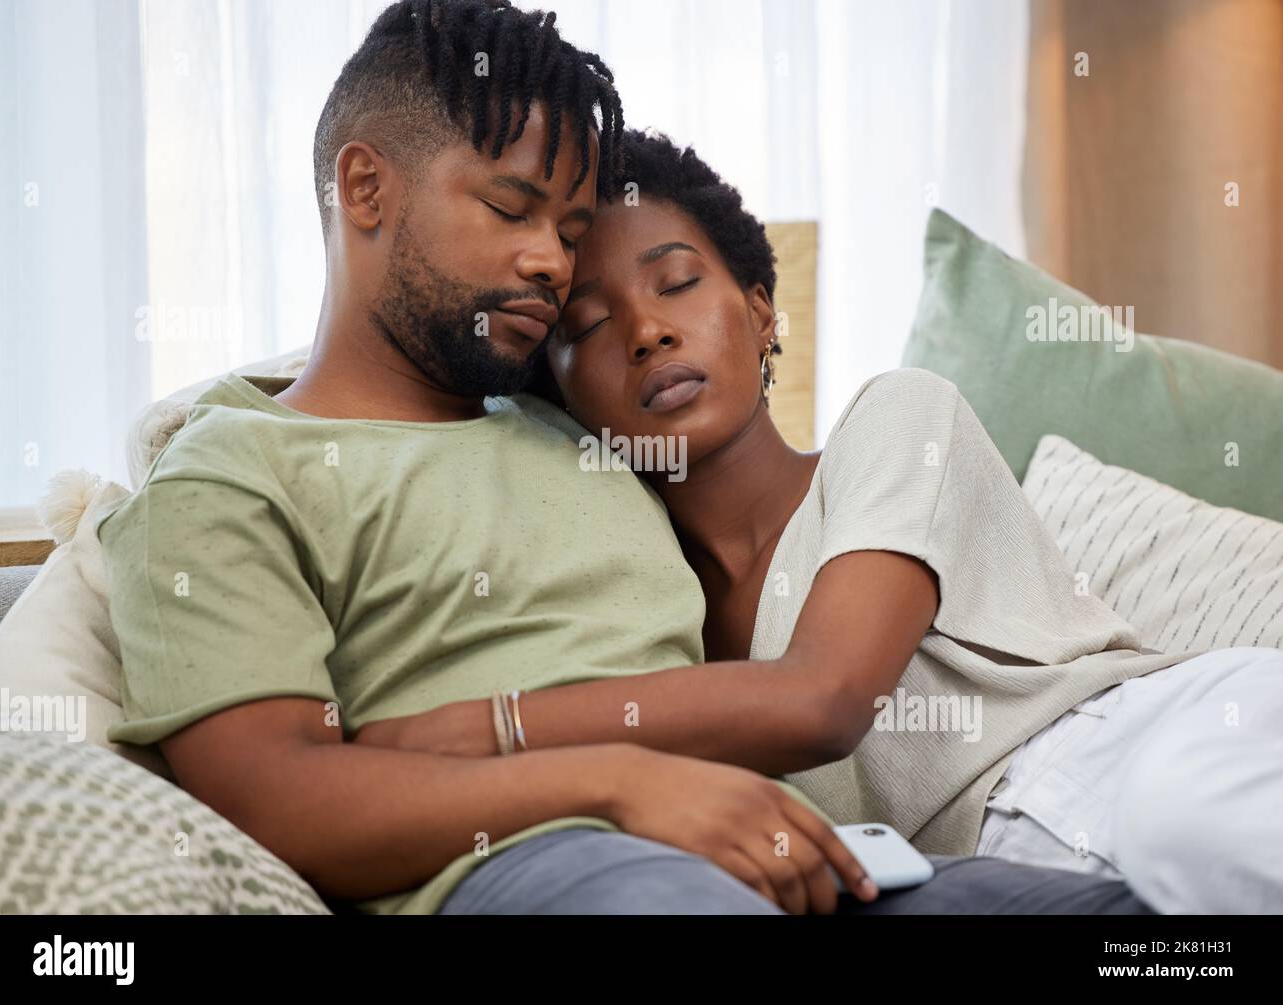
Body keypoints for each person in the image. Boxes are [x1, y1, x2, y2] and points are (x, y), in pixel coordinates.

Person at [98, 0, 1159, 916]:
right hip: (543, 865)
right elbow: (273, 799)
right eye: (511, 208)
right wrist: (617, 783)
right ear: (365, 191)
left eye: (566, 227)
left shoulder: (583, 433)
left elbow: (801, 647)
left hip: (786, 851)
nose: (550, 261)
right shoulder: (227, 473)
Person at [370, 128, 1283, 915]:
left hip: (1148, 742)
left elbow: (824, 699)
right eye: (591, 324)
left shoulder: (896, 423)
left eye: (678, 283)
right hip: (1009, 874)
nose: (647, 332)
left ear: (762, 313)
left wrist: (493, 728)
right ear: (559, 395)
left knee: (1186, 821)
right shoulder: (641, 615)